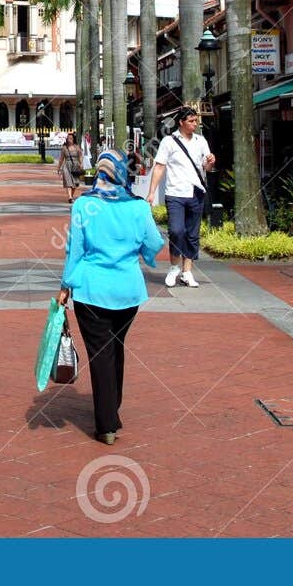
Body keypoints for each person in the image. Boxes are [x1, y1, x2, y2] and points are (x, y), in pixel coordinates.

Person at [58, 149, 164, 445]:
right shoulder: (138, 207)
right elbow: (155, 242)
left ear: (100, 173)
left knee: (100, 352)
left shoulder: (84, 205)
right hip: (128, 291)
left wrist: (65, 286)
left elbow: (75, 250)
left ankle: (107, 423)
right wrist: (141, 255)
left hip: (92, 289)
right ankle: (111, 407)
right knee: (115, 348)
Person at [147, 107, 216, 288]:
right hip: (175, 193)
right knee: (176, 231)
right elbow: (160, 166)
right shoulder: (169, 141)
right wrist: (152, 192)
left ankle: (187, 271)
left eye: (196, 121)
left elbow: (206, 169)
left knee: (192, 234)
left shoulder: (201, 141)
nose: (195, 124)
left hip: (196, 191)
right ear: (181, 122)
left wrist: (210, 162)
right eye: (191, 121)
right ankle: (173, 267)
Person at [58, 134, 83, 203]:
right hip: (67, 166)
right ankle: (70, 197)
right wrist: (59, 168)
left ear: (73, 139)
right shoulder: (64, 148)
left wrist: (81, 164)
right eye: (68, 138)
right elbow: (61, 159)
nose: (69, 139)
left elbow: (80, 156)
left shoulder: (77, 147)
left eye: (71, 138)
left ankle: (71, 196)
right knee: (68, 182)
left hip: (75, 166)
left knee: (75, 183)